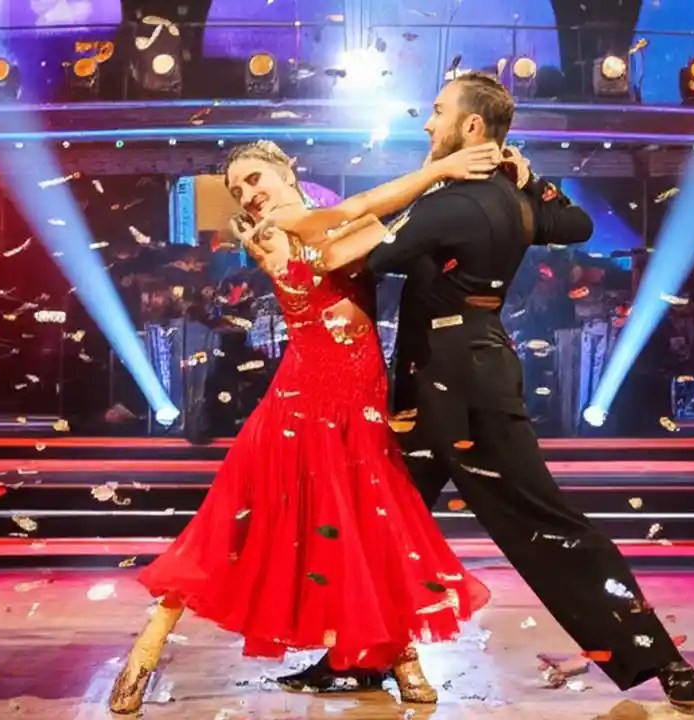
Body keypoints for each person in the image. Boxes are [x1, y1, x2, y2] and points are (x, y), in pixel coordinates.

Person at [252, 73, 694, 715]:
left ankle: (662, 659)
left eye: (437, 113)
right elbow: (576, 222)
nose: (426, 124)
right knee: (379, 526)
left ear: (473, 128)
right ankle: (354, 660)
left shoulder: (449, 204)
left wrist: (336, 214)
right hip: (448, 379)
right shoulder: (513, 197)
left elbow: (344, 258)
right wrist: (525, 176)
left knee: (541, 521)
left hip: (458, 389)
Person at [107, 140, 503, 714]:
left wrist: (433, 188)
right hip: (302, 401)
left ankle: (402, 658)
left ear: (285, 168)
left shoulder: (320, 219)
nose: (248, 192)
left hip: (358, 401)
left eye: (253, 177)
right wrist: (438, 171)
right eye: (238, 188)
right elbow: (366, 222)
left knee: (368, 526)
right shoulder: (279, 227)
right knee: (231, 522)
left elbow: (381, 225)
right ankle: (142, 657)